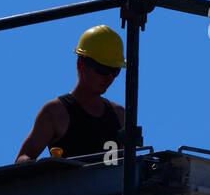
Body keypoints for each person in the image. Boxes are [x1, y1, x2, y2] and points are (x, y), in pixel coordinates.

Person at [16, 25, 127, 161]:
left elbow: (128, 167)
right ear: (81, 64)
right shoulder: (55, 112)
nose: (109, 78)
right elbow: (22, 158)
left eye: (115, 71)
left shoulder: (120, 115)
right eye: (102, 69)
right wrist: (39, 167)